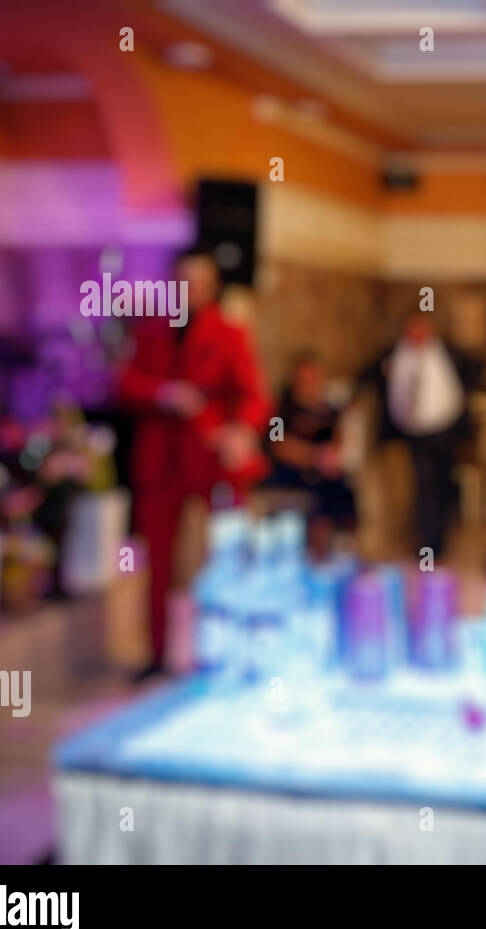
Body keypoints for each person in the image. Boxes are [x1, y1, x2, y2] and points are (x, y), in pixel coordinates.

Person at [118, 250, 270, 681]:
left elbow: (254, 396)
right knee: (159, 563)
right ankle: (157, 651)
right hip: (161, 460)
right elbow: (125, 382)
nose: (190, 290)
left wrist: (241, 430)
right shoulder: (152, 331)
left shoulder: (229, 333)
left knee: (223, 556)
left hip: (210, 458)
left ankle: (223, 649)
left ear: (212, 287)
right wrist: (163, 393)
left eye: (199, 282)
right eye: (184, 280)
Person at [366, 313, 476, 558]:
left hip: (445, 430)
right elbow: (370, 376)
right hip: (413, 433)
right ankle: (430, 543)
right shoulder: (394, 354)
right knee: (424, 485)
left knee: (443, 483)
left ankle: (441, 536)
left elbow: (469, 376)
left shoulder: (448, 352)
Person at [264, 350, 356, 558]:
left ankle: (342, 552)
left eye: (312, 380)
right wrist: (313, 456)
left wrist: (333, 456)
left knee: (343, 492)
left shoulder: (329, 410)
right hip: (291, 476)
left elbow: (340, 443)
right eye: (303, 380)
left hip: (326, 478)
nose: (308, 385)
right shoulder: (283, 410)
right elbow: (278, 445)